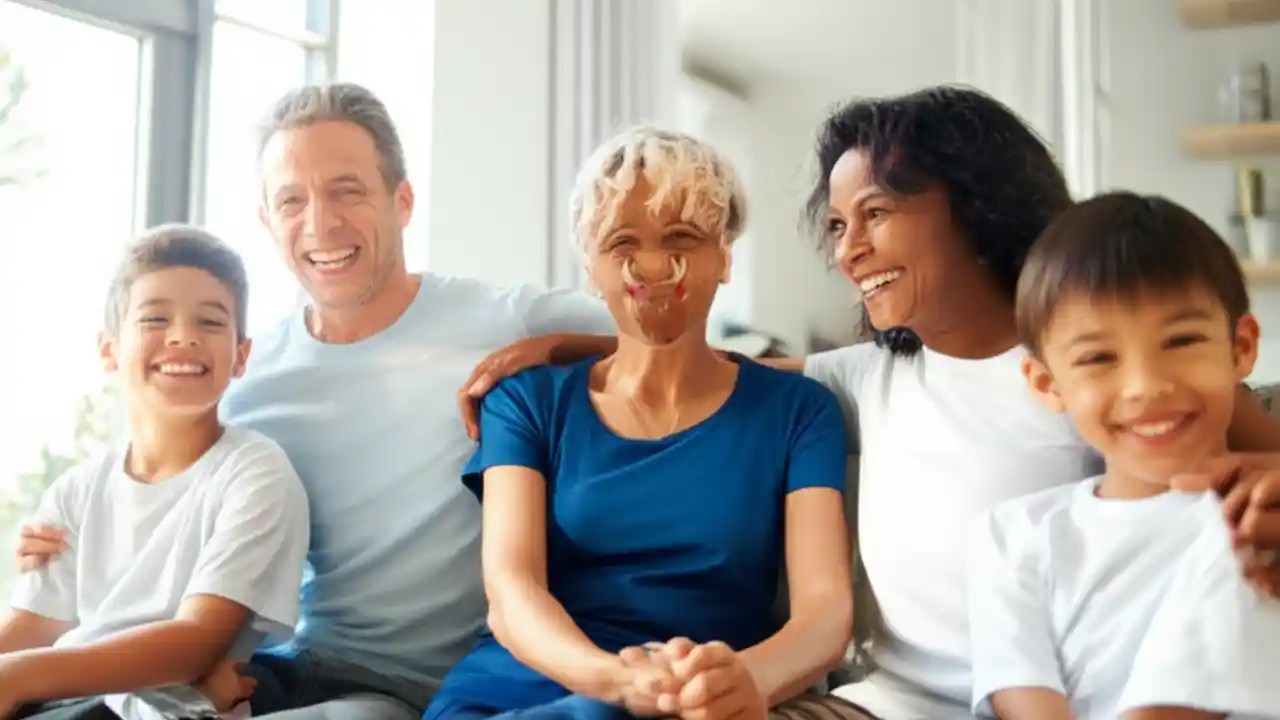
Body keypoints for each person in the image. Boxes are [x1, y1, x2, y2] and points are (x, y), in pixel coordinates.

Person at [455, 86, 1280, 719]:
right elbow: (709, 363)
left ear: (978, 206)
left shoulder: (1090, 371)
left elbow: (1236, 435)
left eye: (876, 216)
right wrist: (567, 348)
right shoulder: (862, 376)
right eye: (838, 224)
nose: (848, 250)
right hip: (881, 703)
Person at [15, 83, 617, 719]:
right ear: (267, 221)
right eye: (291, 201)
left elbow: (698, 353)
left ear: (402, 200)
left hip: (423, 685)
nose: (320, 224)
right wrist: (64, 545)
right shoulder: (248, 373)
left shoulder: (503, 321)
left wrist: (553, 349)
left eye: (347, 191)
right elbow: (164, 509)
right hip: (283, 665)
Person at [424, 127, 854, 720]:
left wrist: (741, 683)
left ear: (724, 255)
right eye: (623, 242)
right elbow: (511, 592)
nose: (652, 265)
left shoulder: (798, 412)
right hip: (515, 695)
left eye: (682, 237)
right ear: (591, 266)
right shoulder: (526, 402)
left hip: (701, 698)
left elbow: (824, 612)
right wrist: (617, 683)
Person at [968, 192, 1280, 719]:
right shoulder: (1014, 533)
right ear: (1047, 383)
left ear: (1241, 348)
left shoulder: (1261, 518)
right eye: (1098, 358)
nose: (1145, 386)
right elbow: (1024, 697)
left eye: (1181, 341)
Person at [0, 225, 310, 720]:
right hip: (64, 697)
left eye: (210, 322)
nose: (183, 335)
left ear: (241, 356)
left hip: (159, 709)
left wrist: (17, 675)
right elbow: (32, 626)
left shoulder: (255, 474)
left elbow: (194, 643)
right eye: (155, 318)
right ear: (108, 350)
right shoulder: (77, 491)